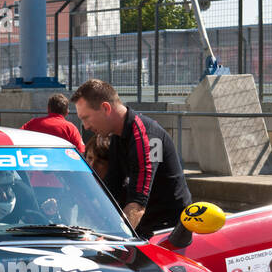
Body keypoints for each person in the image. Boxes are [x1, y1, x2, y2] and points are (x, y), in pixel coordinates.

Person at [70, 78, 190, 234]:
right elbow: (111, 189)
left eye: (86, 118)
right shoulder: (117, 136)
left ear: (106, 108)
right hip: (146, 225)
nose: (85, 126)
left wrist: (112, 238)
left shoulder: (145, 136)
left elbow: (137, 204)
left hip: (169, 230)